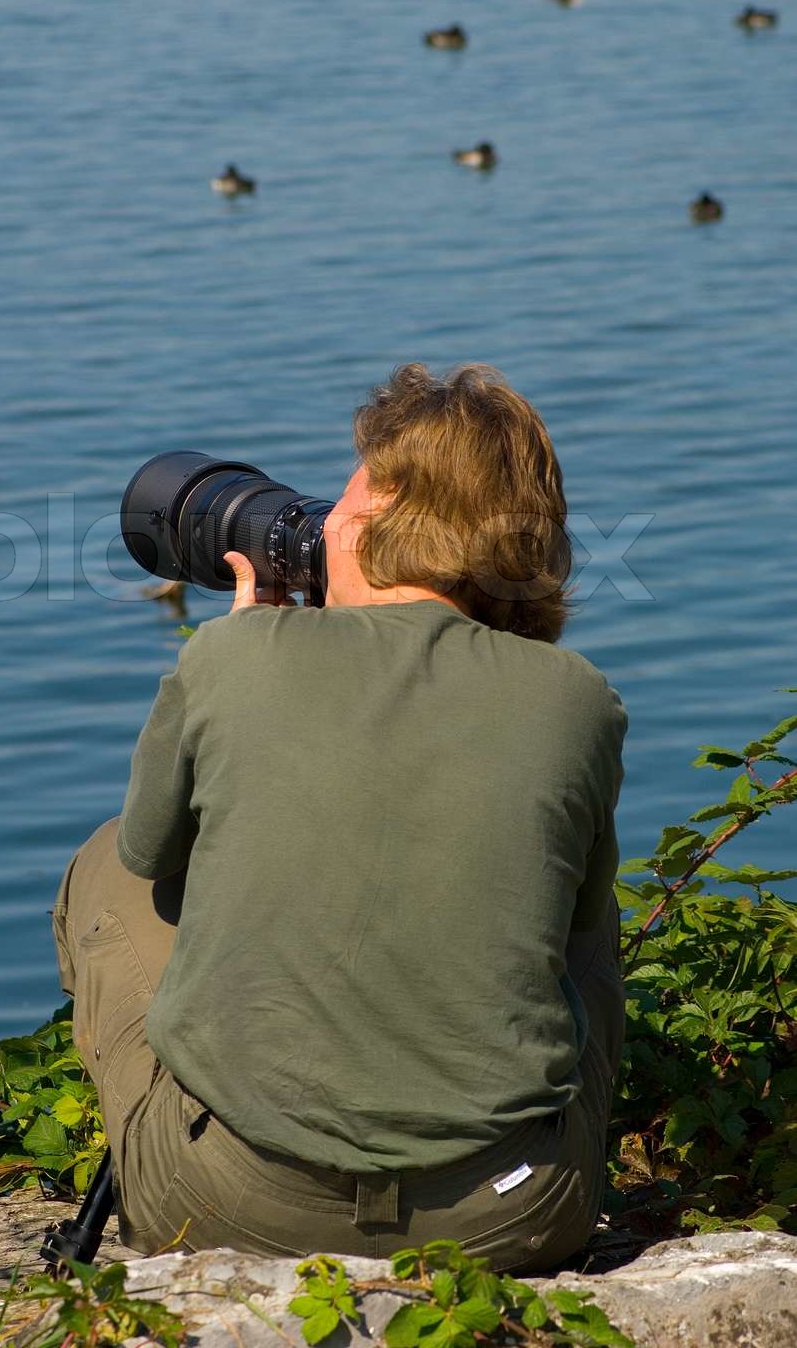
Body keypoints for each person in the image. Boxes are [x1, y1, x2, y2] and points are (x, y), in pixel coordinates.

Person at [53, 363, 627, 1270]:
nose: (322, 519)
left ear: (382, 513)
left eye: (348, 493)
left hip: (222, 1205)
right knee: (586, 917)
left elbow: (150, 849)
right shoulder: (576, 697)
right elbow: (576, 928)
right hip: (513, 1215)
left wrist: (249, 648)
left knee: (107, 862)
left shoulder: (235, 658)